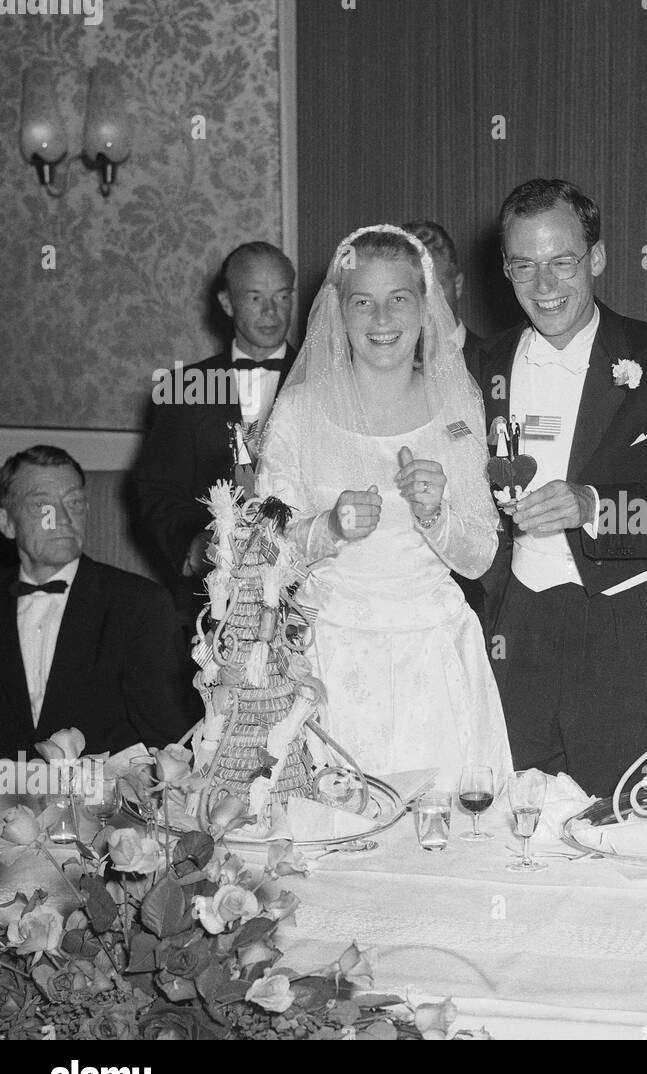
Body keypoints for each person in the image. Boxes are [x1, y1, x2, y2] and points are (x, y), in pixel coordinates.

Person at [470, 178, 647, 798]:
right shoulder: (480, 367)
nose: (545, 285)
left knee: (618, 828)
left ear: (599, 259)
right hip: (512, 627)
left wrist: (594, 507)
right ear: (505, 270)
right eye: (525, 266)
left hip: (627, 636)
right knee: (513, 820)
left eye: (563, 262)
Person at [256, 225, 511, 781]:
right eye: (362, 302)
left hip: (436, 650)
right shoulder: (299, 410)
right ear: (338, 312)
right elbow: (262, 546)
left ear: (426, 307)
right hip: (330, 652)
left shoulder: (458, 405)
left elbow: (481, 556)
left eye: (399, 299)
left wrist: (434, 516)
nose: (381, 319)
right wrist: (329, 527)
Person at [132, 241, 297, 626]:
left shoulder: (323, 383)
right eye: (255, 297)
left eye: (282, 296)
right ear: (226, 303)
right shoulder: (186, 386)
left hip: (304, 594)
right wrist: (193, 545)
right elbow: (156, 489)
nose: (271, 312)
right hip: (211, 600)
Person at [0, 446, 195, 760]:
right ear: (7, 522)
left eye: (74, 502)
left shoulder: (140, 606)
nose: (62, 519)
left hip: (101, 805)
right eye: (41, 504)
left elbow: (172, 747)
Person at [404, 219, 489, 626]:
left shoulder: (498, 365)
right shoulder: (365, 377)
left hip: (484, 595)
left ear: (457, 285)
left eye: (434, 286)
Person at [402, 220, 482, 362]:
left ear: (457, 286)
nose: (423, 303)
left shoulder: (494, 362)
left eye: (434, 290)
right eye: (409, 293)